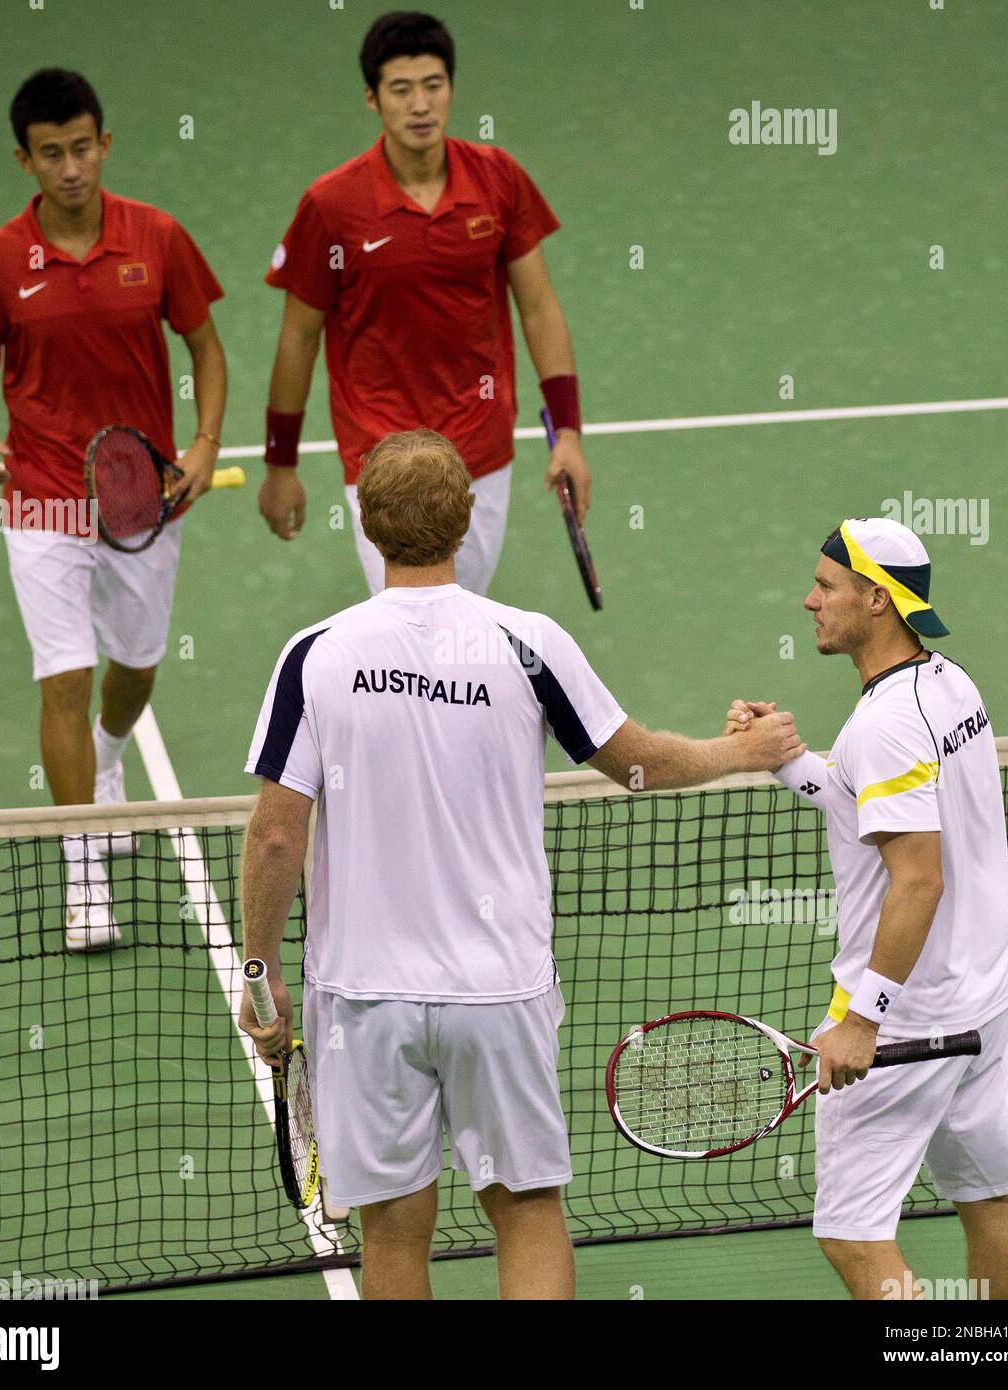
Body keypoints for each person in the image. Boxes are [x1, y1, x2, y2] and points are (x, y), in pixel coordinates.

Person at [238, 428, 803, 1300]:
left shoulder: (315, 654)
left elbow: (277, 837)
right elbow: (638, 762)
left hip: (364, 997)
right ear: (465, 524)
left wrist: (260, 973)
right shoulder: (527, 641)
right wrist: (749, 751)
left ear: (365, 520)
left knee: (393, 1233)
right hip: (499, 990)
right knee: (528, 1208)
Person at [0, 68, 226, 952]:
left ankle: (109, 760)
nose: (71, 168)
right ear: (25, 160)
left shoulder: (158, 238)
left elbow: (205, 347)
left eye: (83, 147)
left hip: (141, 497)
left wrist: (207, 445)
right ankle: (82, 867)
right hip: (42, 502)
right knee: (61, 675)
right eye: (51, 154)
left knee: (134, 668)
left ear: (105, 143)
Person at [726, 518, 1008, 1300]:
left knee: (854, 1237)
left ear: (876, 600)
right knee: (988, 1201)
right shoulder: (947, 683)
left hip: (905, 1020)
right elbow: (875, 803)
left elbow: (918, 880)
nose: (808, 601)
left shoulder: (884, 725)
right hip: (981, 1000)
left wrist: (864, 1018)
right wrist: (791, 760)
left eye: (826, 588)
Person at [259, 10, 588, 595]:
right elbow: (299, 335)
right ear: (372, 99)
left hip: (479, 449)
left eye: (433, 86)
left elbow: (538, 307)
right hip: (380, 455)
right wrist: (280, 465)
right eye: (401, 89)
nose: (420, 105)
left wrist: (568, 433)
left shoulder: (497, 179)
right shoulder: (333, 204)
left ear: (451, 89)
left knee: (462, 612)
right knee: (412, 619)